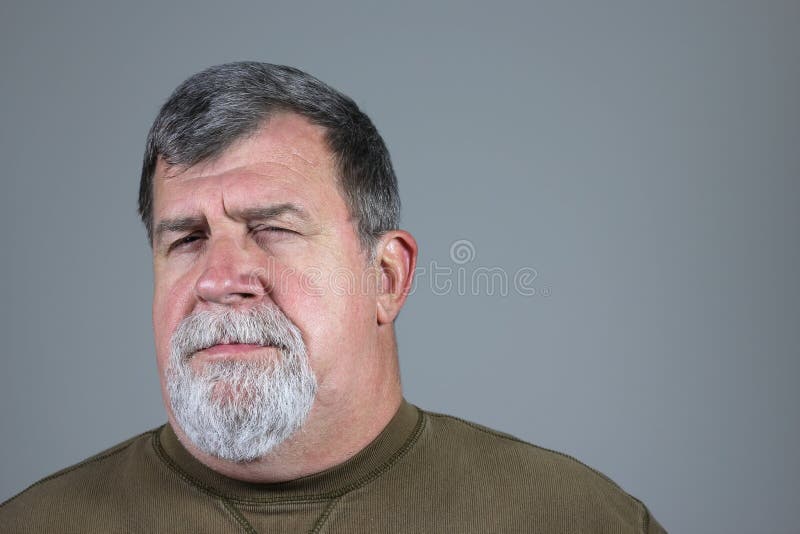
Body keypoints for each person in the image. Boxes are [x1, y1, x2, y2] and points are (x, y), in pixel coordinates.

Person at [0, 62, 665, 533]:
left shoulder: (570, 519)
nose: (219, 279)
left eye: (272, 229)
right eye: (187, 238)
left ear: (386, 277)